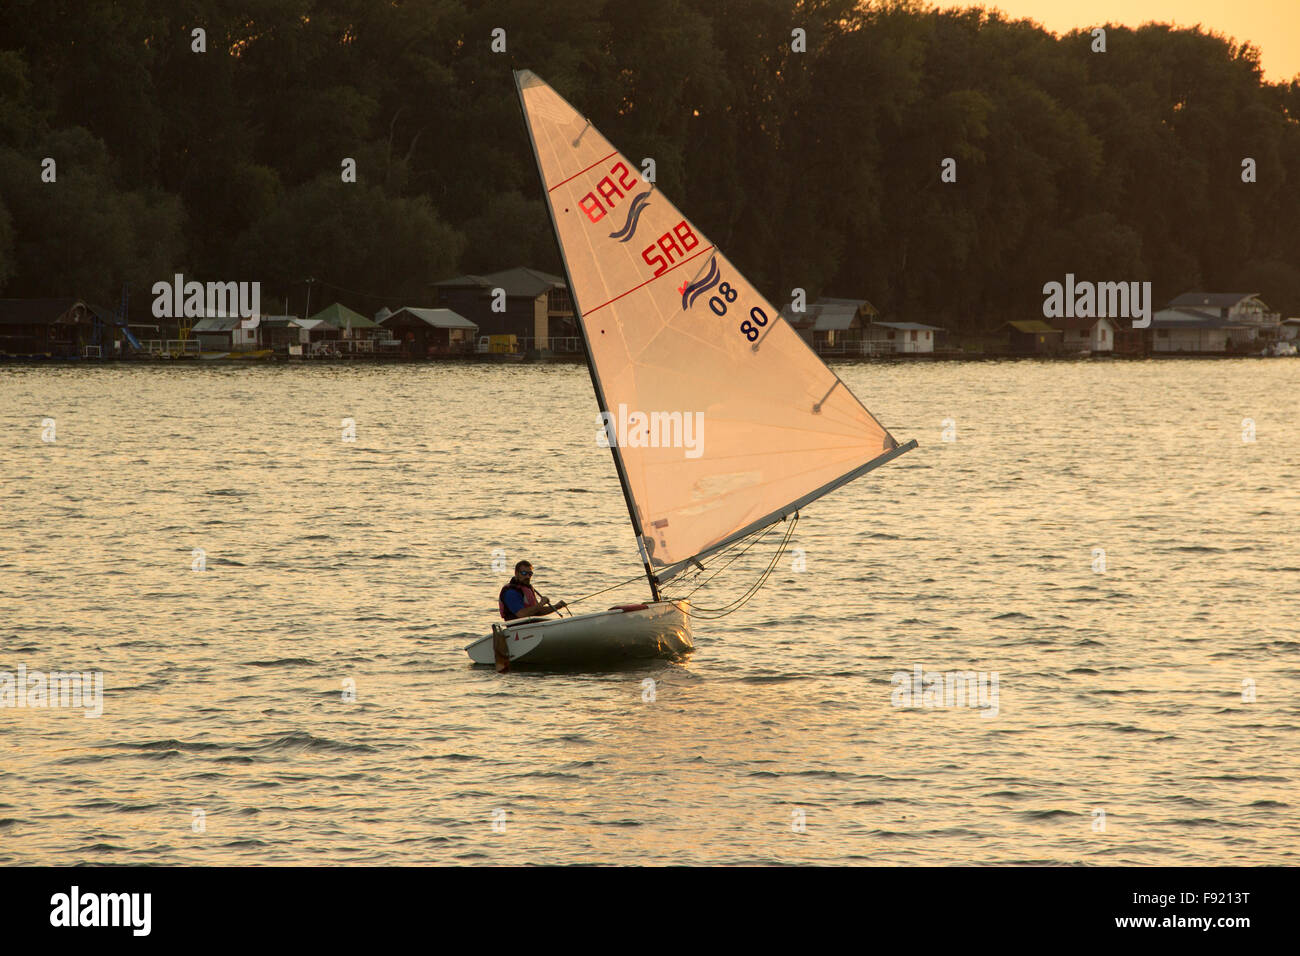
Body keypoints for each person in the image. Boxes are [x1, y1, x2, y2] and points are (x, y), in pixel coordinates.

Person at [498, 560, 566, 621]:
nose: (527, 577)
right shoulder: (510, 592)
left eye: (530, 574)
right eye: (524, 573)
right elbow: (521, 614)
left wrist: (557, 606)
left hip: (531, 626)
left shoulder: (527, 589)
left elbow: (537, 611)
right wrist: (541, 604)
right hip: (518, 629)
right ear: (516, 573)